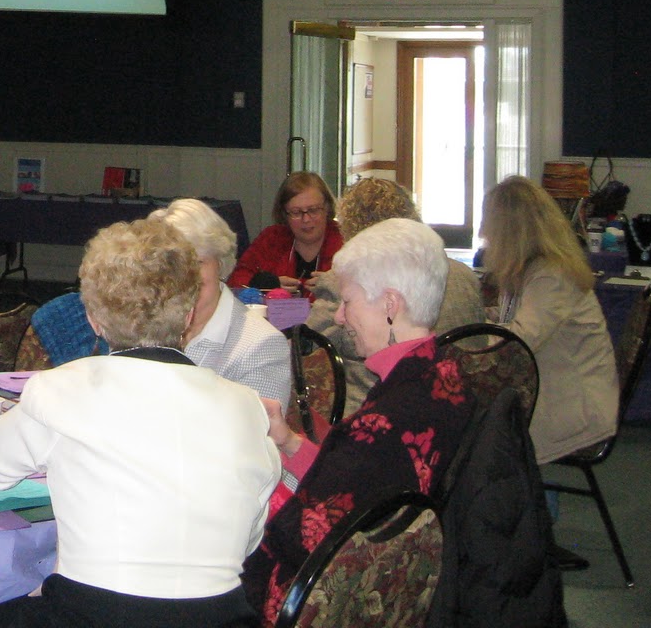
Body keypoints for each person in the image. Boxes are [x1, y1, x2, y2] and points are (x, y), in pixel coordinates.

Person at [0, 219, 280, 628]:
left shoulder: (61, 388)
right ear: (189, 314)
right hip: (223, 618)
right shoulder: (246, 406)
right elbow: (249, 537)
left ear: (93, 319)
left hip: (93, 616)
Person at [243, 219, 479, 624]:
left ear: (390, 304)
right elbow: (357, 478)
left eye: (347, 301)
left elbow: (300, 538)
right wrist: (288, 440)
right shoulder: (443, 374)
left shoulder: (389, 421)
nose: (338, 316)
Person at [304, 178, 483, 410]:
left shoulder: (345, 282)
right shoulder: (464, 276)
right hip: (455, 409)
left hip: (376, 408)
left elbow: (308, 345)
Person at [481, 175, 618, 464]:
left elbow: (517, 343)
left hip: (573, 406)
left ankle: (524, 503)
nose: (484, 233)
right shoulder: (535, 268)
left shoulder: (551, 275)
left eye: (490, 224)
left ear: (511, 231)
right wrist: (479, 316)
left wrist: (472, 331)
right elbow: (514, 320)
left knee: (473, 431)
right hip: (559, 388)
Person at [150, 198, 292, 408]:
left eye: (197, 263)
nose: (185, 276)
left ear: (220, 263)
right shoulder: (141, 328)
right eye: (172, 265)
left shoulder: (262, 345)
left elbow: (256, 432)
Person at [227, 172, 343, 291]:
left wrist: (338, 286)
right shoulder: (272, 239)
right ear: (284, 214)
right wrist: (265, 285)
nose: (306, 219)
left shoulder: (345, 240)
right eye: (296, 212)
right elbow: (236, 281)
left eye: (313, 210)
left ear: (327, 208)